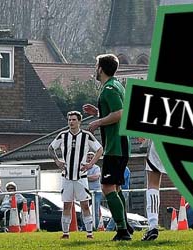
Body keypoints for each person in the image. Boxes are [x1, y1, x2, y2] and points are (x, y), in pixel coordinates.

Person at [83, 54, 132, 241]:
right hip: (121, 142)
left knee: (107, 187)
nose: (95, 69)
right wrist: (98, 112)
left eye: (96, 66)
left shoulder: (109, 89)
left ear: (101, 69)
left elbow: (119, 113)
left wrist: (97, 122)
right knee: (116, 188)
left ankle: (122, 231)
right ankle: (125, 225)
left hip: (115, 145)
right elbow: (115, 111)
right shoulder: (117, 85)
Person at [49, 111, 102, 239]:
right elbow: (51, 147)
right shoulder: (62, 135)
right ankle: (65, 233)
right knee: (67, 204)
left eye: (73, 120)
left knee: (84, 204)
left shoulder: (86, 136)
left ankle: (89, 232)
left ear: (79, 121)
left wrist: (90, 164)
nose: (71, 122)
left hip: (81, 176)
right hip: (66, 176)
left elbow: (100, 149)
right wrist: (57, 161)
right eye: (69, 120)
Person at [85, 153, 103, 230]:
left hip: (96, 192)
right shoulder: (83, 167)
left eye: (91, 157)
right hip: (86, 191)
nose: (89, 159)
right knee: (84, 209)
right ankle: (85, 227)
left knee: (95, 210)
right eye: (88, 157)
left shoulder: (96, 168)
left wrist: (84, 177)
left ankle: (95, 227)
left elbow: (96, 177)